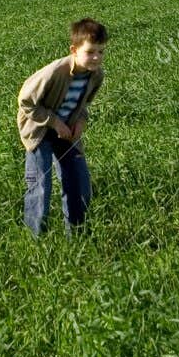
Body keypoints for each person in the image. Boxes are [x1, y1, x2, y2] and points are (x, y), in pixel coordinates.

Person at [17, 18, 106, 236]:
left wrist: (80, 123)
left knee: (80, 184)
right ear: (74, 50)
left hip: (67, 132)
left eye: (101, 52)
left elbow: (83, 106)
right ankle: (35, 239)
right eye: (90, 52)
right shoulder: (54, 72)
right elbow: (26, 102)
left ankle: (77, 236)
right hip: (39, 132)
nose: (96, 57)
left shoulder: (96, 75)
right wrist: (55, 122)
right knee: (40, 187)